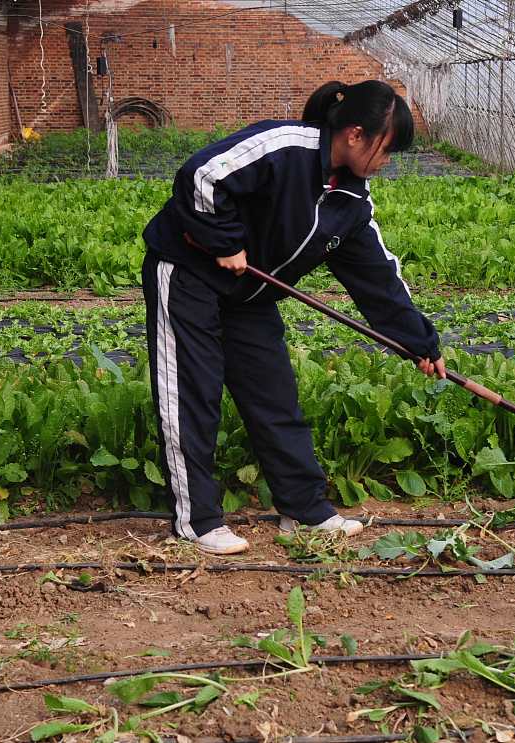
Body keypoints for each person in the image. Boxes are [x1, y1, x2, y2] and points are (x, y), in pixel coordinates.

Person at [141, 80, 445, 555]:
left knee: (275, 396)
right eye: (386, 150)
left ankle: (302, 510)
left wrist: (420, 343)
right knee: (192, 392)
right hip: (189, 273)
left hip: (251, 294)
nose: (387, 163)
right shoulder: (285, 147)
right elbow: (201, 175)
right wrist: (225, 241)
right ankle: (197, 519)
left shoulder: (351, 204)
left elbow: (380, 282)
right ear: (355, 135)